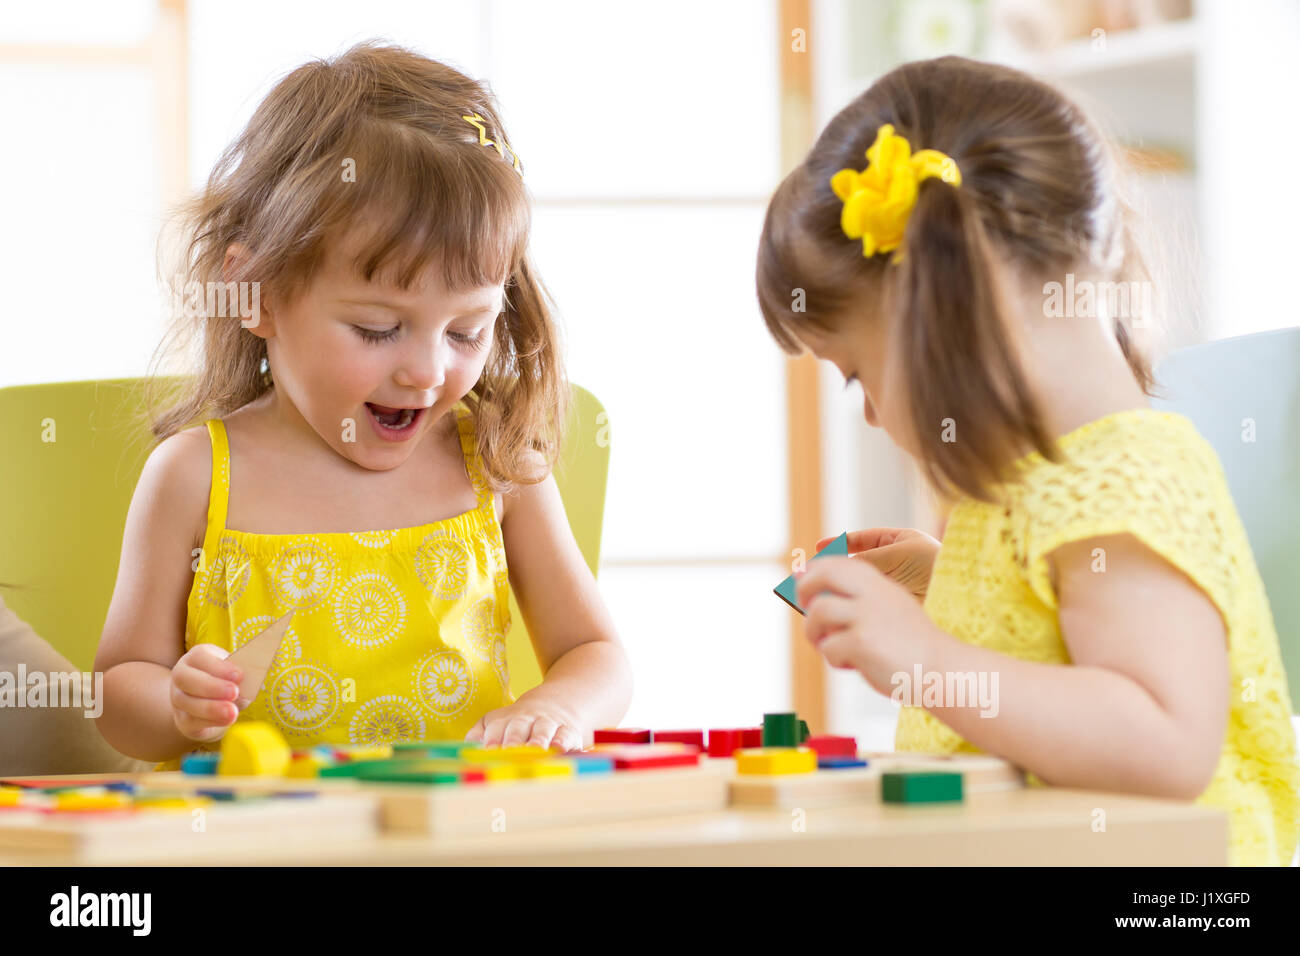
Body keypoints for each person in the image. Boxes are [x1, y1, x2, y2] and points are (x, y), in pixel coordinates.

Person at [758, 56, 1297, 866]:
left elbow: (1164, 742)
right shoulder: (1036, 481)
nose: (869, 413)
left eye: (858, 375)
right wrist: (952, 588)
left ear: (944, 317)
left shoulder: (1119, 481)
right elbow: (1062, 645)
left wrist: (927, 660)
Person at [94, 42, 631, 769]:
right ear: (255, 294)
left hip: (455, 825)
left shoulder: (494, 464)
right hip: (255, 826)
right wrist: (173, 704)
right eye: (377, 329)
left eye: (466, 331)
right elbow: (119, 689)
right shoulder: (194, 475)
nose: (427, 371)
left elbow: (595, 652)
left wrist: (559, 705)